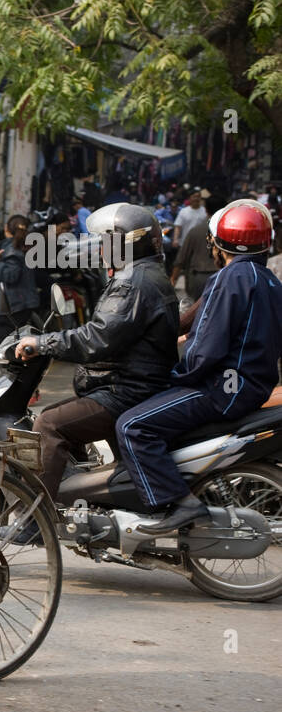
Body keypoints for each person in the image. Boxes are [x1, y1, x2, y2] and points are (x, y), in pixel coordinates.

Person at [4, 204, 178, 538]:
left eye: (107, 242)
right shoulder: (144, 274)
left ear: (127, 244)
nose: (100, 249)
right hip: (132, 383)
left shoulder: (133, 283)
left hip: (125, 390)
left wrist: (42, 343)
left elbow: (96, 338)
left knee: (49, 424)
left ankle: (33, 522)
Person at [115, 199, 282, 534]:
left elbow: (206, 350)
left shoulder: (228, 278)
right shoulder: (271, 282)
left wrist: (175, 376)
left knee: (131, 426)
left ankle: (178, 504)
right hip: (251, 388)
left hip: (221, 390)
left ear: (220, 243)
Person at [0, 214, 38, 325]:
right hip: (24, 304)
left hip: (13, 306)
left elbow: (10, 275)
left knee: (7, 341)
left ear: (6, 228)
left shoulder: (11, 249)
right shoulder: (25, 245)